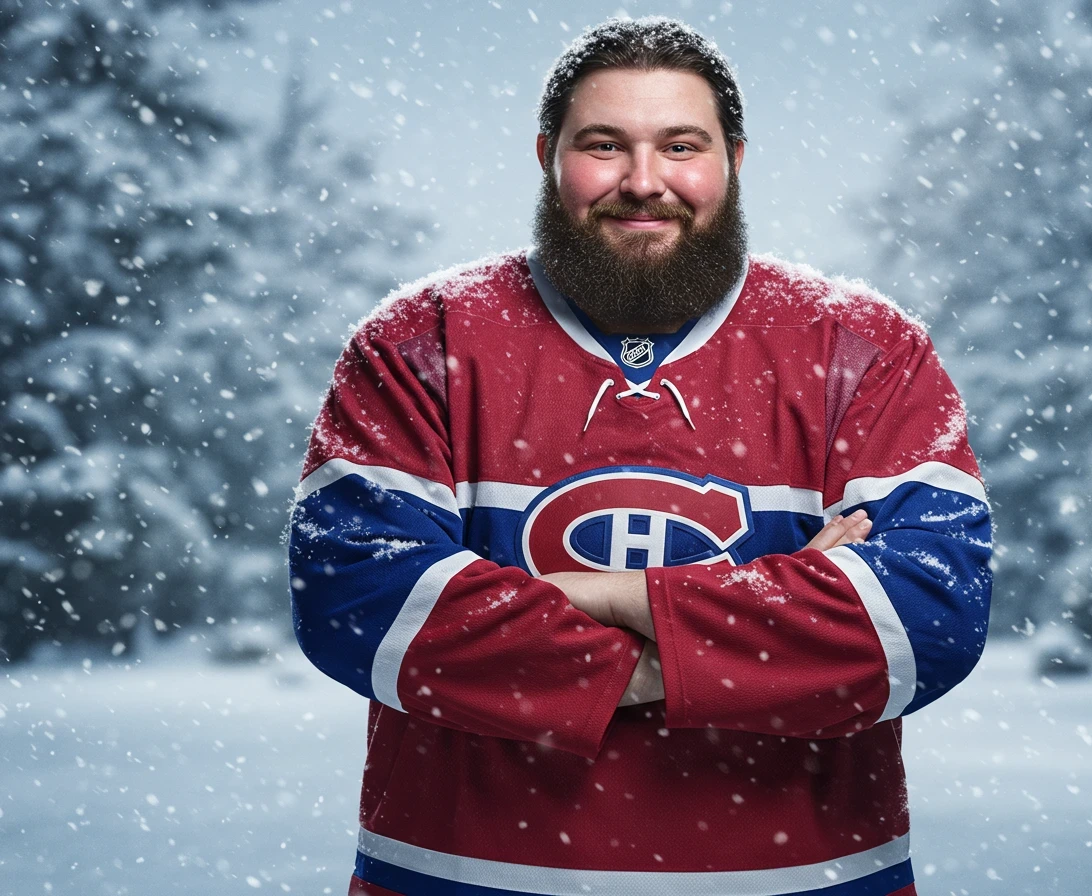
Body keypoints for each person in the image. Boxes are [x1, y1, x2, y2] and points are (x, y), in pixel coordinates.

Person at [288, 16, 992, 896]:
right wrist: (737, 635)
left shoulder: (864, 347)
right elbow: (358, 603)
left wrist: (586, 596)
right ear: (548, 155)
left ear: (736, 159)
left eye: (682, 146)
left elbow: (928, 616)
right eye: (604, 145)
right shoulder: (420, 340)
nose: (644, 181)